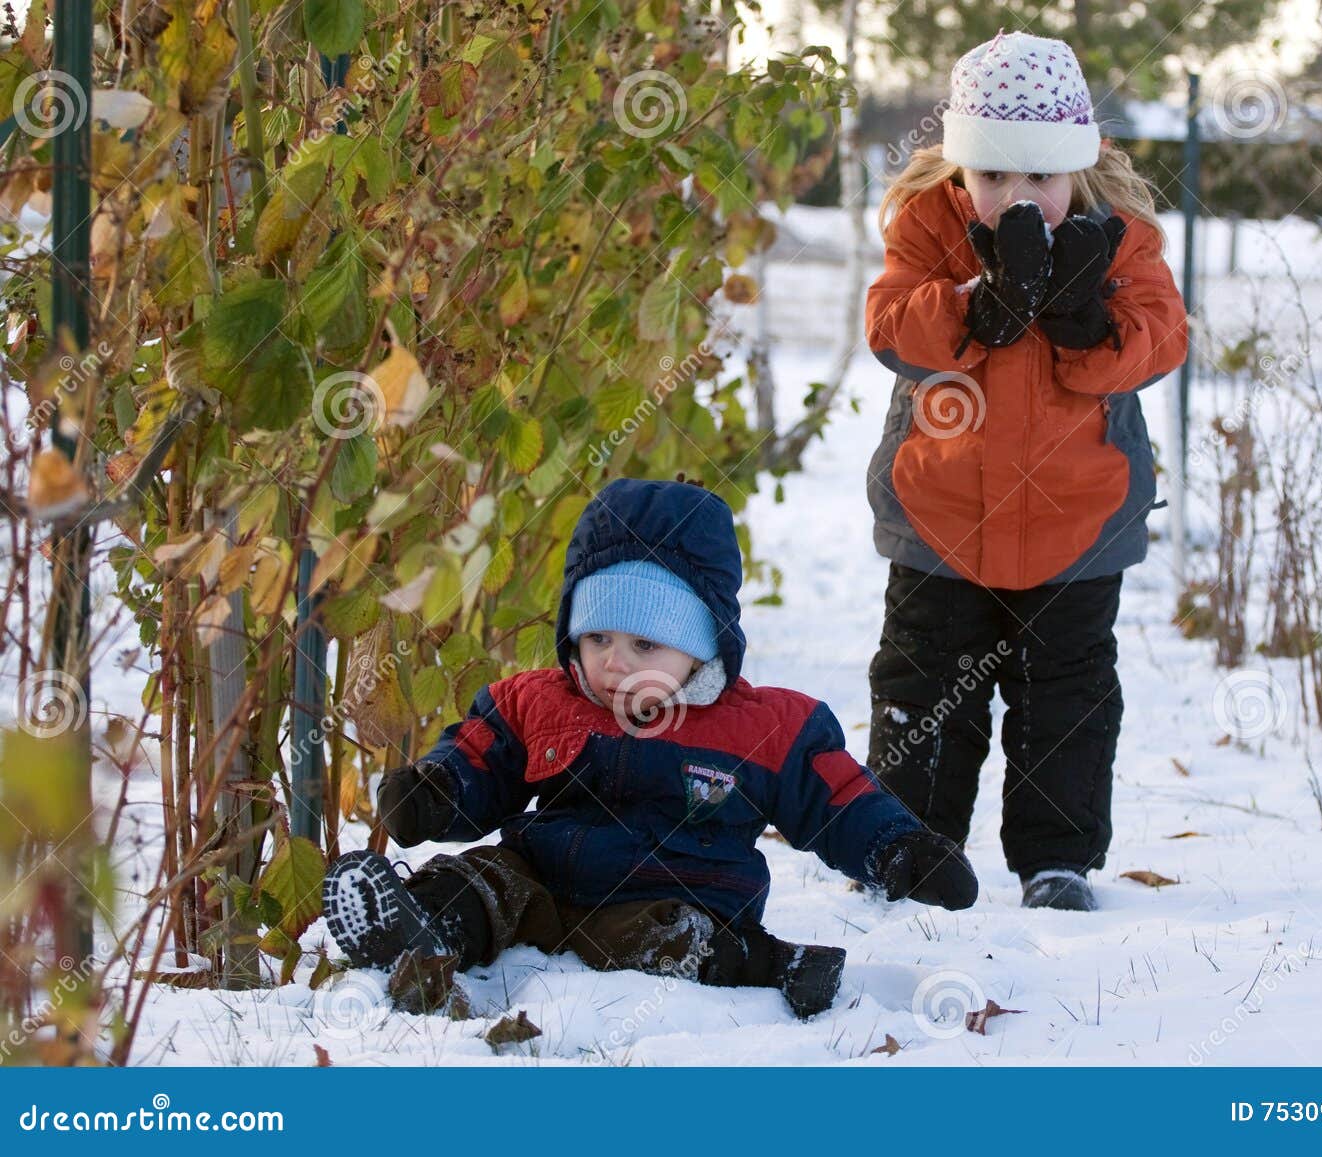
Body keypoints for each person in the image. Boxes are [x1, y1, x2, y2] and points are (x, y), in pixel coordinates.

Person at [322, 479, 979, 1018]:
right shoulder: (539, 700)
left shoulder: (764, 726)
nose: (614, 663)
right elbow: (482, 753)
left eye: (644, 645)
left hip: (678, 896)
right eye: (598, 637)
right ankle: (425, 928)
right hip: (545, 880)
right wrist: (436, 789)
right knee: (485, 878)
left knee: (674, 936)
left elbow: (835, 794)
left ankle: (770, 961)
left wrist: (898, 848)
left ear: (703, 646)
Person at [862, 31, 1189, 911]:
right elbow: (890, 325)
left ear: (1077, 168)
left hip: (1076, 523)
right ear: (961, 169)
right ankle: (907, 843)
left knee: (1066, 695)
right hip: (943, 516)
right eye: (994, 175)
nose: (1017, 196)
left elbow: (1164, 336)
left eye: (1039, 177)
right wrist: (970, 312)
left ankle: (1056, 860)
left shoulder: (1121, 240)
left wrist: (1088, 323)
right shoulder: (932, 226)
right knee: (924, 681)